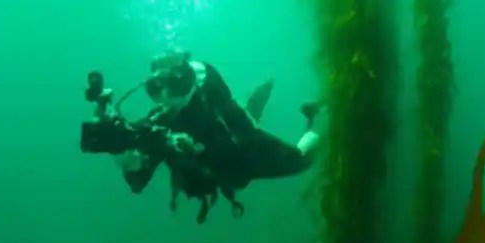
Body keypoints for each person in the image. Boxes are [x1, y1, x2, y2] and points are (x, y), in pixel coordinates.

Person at [79, 50, 321, 224]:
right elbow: (137, 180)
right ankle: (255, 104)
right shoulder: (160, 123)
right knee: (247, 118)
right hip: (217, 174)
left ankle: (315, 121)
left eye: (176, 86)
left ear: (189, 81)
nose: (167, 98)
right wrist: (124, 158)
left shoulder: (209, 94)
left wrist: (182, 64)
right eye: (156, 89)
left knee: (303, 159)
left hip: (245, 156)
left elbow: (239, 124)